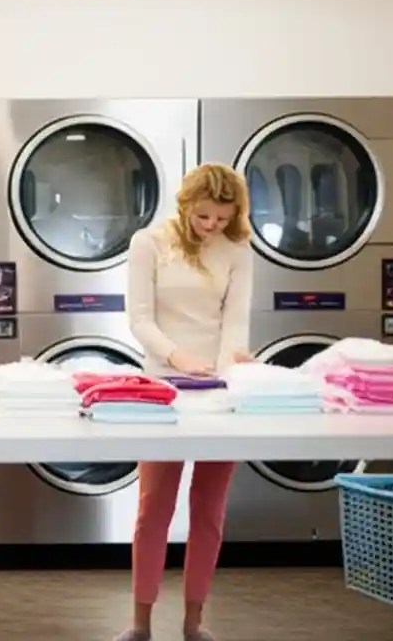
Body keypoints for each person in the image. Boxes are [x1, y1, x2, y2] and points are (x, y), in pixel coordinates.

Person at [114, 163, 255, 641]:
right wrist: (179, 359)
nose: (212, 226)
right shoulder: (149, 243)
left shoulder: (238, 249)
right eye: (203, 217)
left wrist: (228, 367)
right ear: (185, 205)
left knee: (209, 510)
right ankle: (140, 623)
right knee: (153, 508)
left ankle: (194, 622)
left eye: (222, 218)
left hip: (218, 391)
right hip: (162, 389)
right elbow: (140, 319)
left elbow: (235, 321)